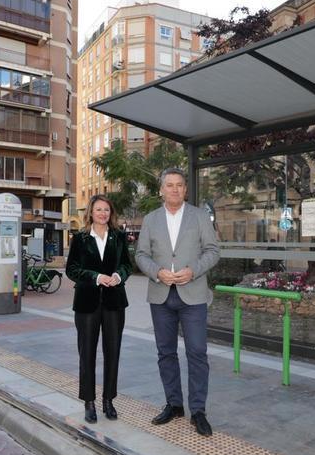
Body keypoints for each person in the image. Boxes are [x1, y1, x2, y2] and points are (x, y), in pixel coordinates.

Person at [135, 167, 220, 436]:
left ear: (185, 189)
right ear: (161, 190)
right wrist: (156, 272)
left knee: (197, 353)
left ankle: (198, 411)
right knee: (166, 353)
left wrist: (193, 270)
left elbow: (213, 251)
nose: (174, 189)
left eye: (179, 185)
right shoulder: (150, 219)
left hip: (192, 294)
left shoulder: (199, 216)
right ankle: (174, 404)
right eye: (169, 185)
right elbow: (140, 254)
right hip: (161, 295)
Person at [66, 195, 131, 423]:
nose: (103, 213)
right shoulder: (80, 238)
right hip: (86, 303)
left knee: (113, 353)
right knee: (87, 353)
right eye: (98, 209)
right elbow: (72, 270)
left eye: (106, 209)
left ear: (110, 213)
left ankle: (108, 400)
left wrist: (117, 276)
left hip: (114, 303)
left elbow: (126, 265)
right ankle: (89, 402)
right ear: (91, 213)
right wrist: (95, 277)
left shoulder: (119, 237)